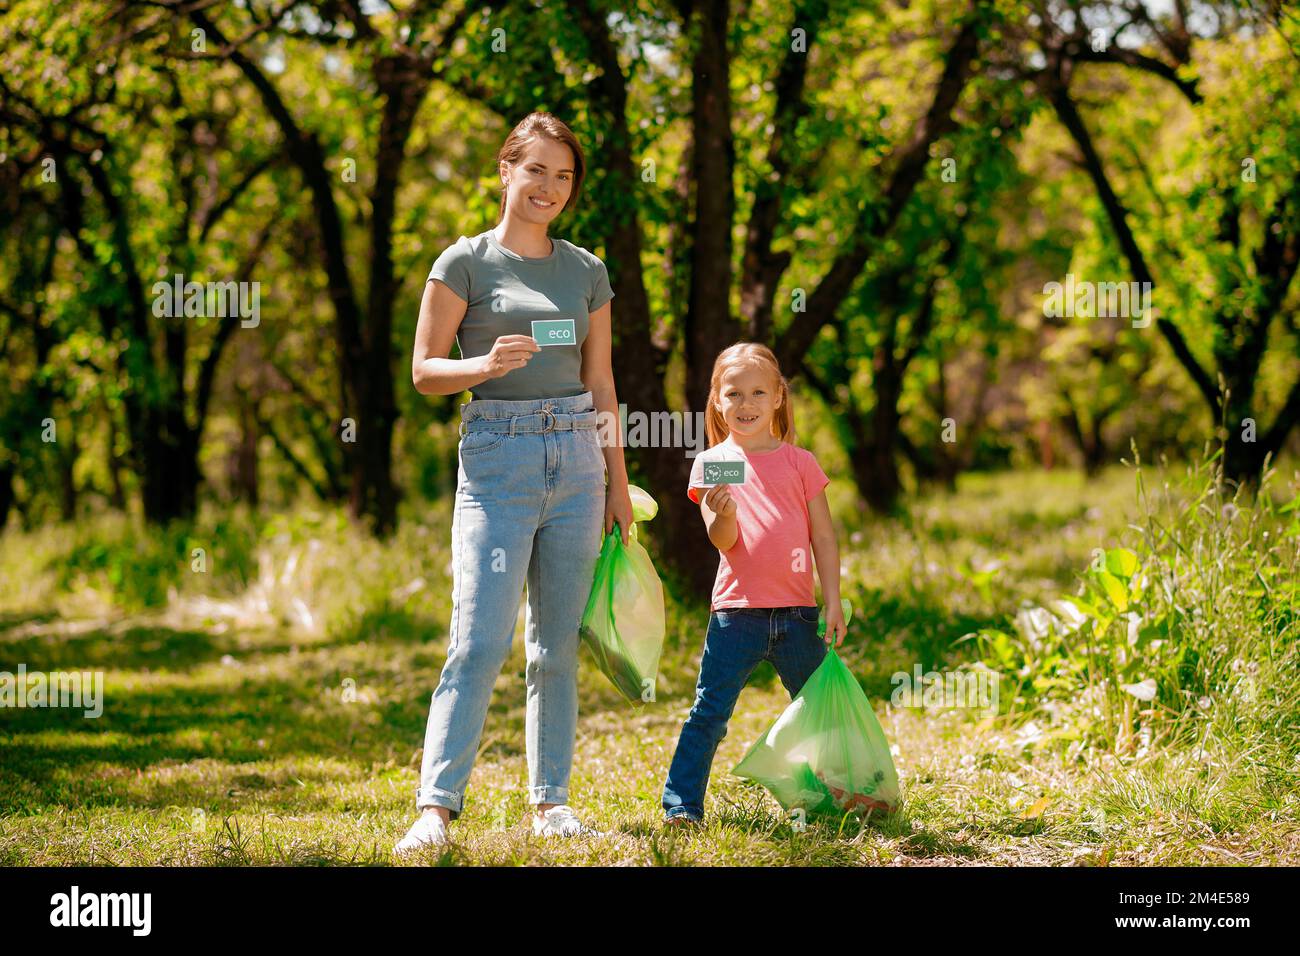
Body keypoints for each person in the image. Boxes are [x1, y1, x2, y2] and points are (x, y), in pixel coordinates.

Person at [397, 112, 633, 853]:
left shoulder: (586, 271)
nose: (550, 188)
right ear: (506, 170)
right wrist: (483, 367)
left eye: (563, 176)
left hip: (578, 459)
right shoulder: (462, 263)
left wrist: (618, 485)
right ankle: (436, 807)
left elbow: (601, 383)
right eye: (536, 170)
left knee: (555, 645)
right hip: (498, 457)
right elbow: (424, 370)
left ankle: (551, 802)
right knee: (478, 640)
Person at [661, 342, 846, 826]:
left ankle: (834, 797)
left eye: (758, 392)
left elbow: (823, 537)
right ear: (717, 402)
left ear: (779, 397)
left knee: (816, 710)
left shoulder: (800, 463)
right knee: (709, 714)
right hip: (735, 614)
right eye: (734, 394)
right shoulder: (713, 464)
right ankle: (682, 807)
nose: (746, 404)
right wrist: (724, 513)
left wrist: (835, 602)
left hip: (799, 615)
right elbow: (722, 540)